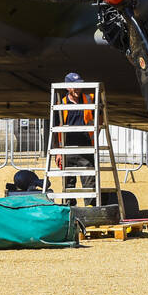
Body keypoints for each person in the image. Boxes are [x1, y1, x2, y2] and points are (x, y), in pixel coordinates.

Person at [54, 72, 96, 204]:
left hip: (86, 148)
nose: (77, 88)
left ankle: (91, 212)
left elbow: (99, 120)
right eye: (74, 86)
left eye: (79, 85)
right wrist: (58, 152)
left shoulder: (90, 99)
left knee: (90, 183)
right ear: (67, 87)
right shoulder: (60, 103)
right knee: (68, 186)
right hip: (67, 149)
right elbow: (55, 129)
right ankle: (69, 211)